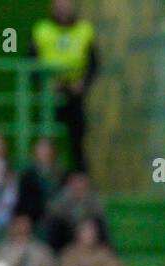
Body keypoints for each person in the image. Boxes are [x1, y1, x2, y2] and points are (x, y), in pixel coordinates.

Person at [29, 0, 99, 171]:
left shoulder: (85, 30)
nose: (62, 10)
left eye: (66, 6)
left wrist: (83, 82)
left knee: (77, 143)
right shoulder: (41, 30)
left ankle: (80, 182)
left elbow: (94, 63)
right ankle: (46, 178)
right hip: (50, 97)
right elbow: (29, 64)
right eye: (59, 6)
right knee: (46, 140)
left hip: (75, 95)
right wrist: (46, 83)